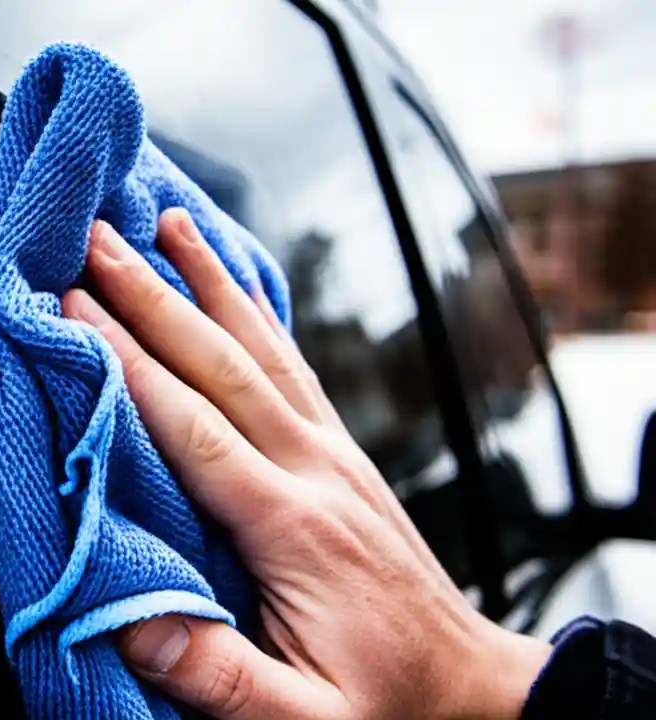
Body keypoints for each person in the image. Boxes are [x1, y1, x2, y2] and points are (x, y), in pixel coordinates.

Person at [61, 210, 655, 719]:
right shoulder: (400, 405)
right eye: (526, 312)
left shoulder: (460, 459)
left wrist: (487, 681)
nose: (534, 346)